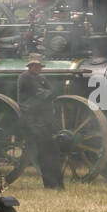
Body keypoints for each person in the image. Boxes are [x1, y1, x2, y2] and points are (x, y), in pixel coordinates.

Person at [17, 53, 63, 189]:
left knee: (54, 152)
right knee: (44, 154)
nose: (37, 67)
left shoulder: (42, 78)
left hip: (45, 120)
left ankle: (59, 183)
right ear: (30, 66)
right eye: (35, 65)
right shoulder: (24, 77)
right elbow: (45, 94)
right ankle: (50, 184)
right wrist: (49, 93)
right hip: (33, 120)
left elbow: (52, 92)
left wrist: (49, 93)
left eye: (39, 65)